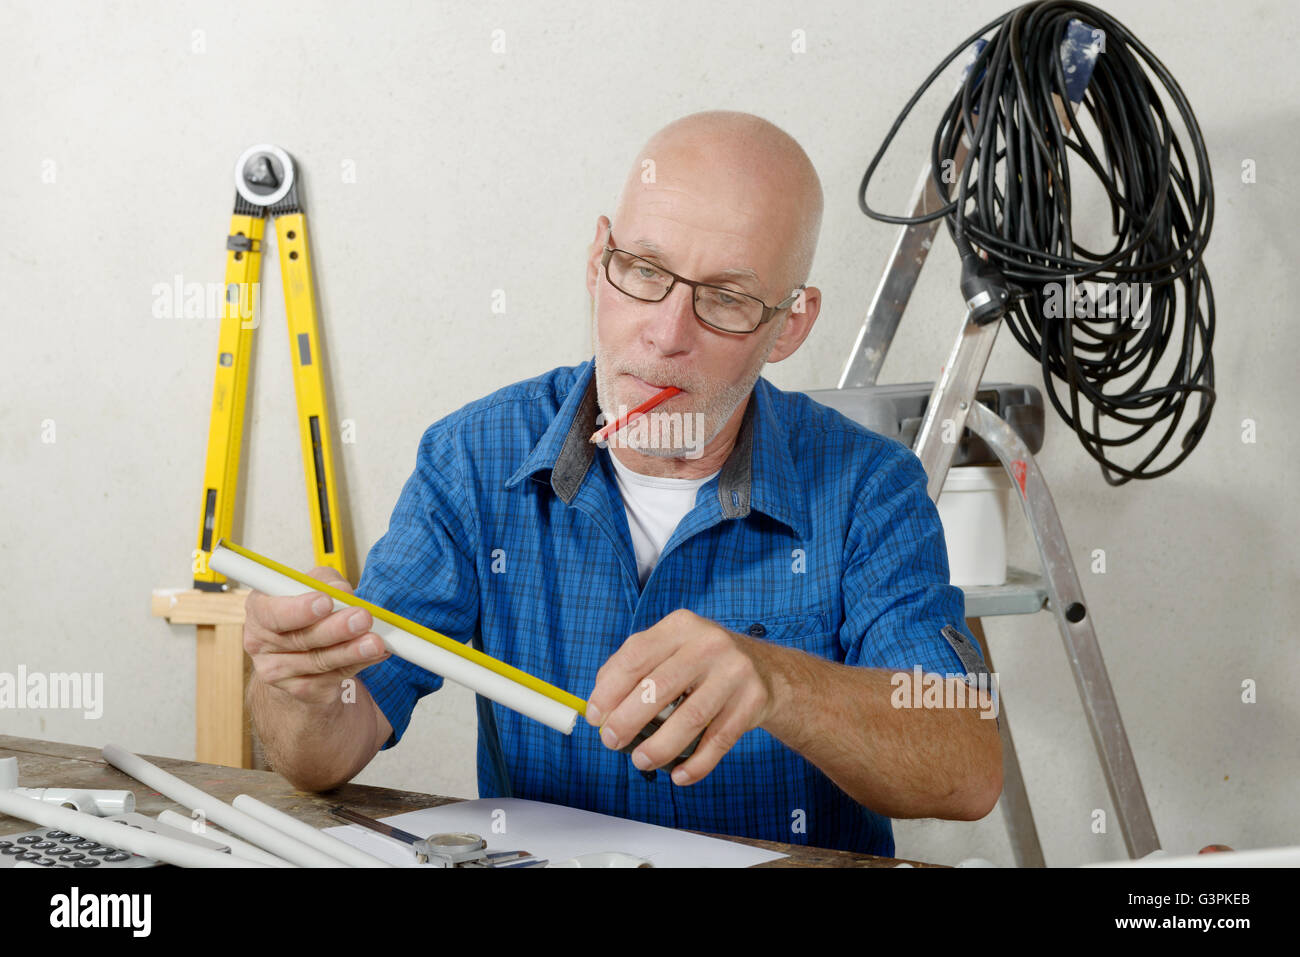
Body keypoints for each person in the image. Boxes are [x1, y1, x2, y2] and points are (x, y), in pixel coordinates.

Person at [243, 110, 1002, 857]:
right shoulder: (475, 458)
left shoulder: (869, 487)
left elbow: (965, 768)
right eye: (644, 271)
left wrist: (781, 683)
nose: (667, 334)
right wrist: (301, 692)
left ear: (790, 326)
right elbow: (327, 750)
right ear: (597, 259)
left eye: (727, 299)